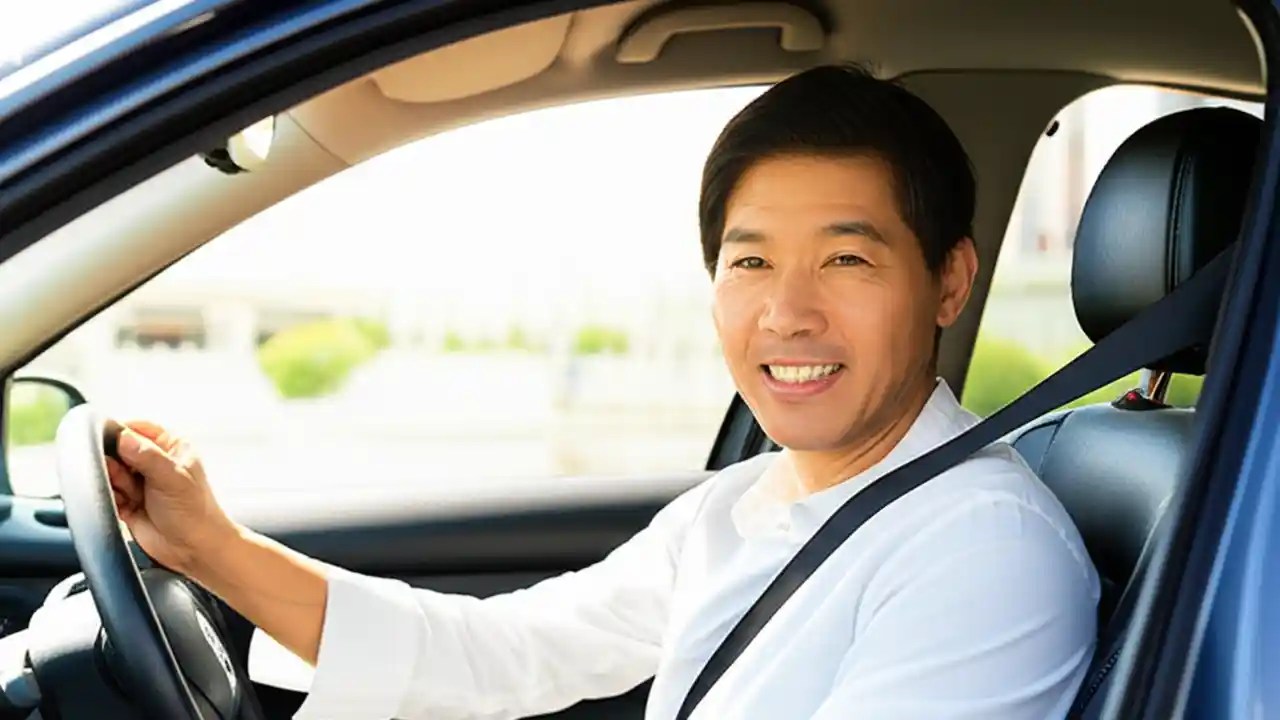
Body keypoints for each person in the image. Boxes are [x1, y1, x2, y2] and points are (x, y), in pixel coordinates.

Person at [107, 65, 1100, 720]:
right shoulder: (738, 506)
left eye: (844, 258)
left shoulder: (980, 551)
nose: (785, 314)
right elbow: (507, 651)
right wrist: (212, 550)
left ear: (949, 282)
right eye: (749, 263)